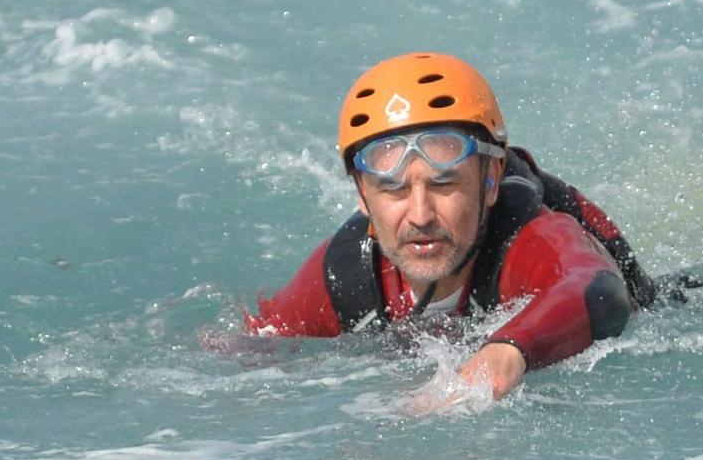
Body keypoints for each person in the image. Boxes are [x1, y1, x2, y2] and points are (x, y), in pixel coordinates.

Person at [247, 52, 660, 402]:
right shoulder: (345, 275)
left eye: (444, 184)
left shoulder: (529, 239)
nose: (421, 215)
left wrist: (507, 351)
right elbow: (256, 349)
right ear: (362, 195)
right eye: (393, 189)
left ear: (491, 179)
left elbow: (601, 293)